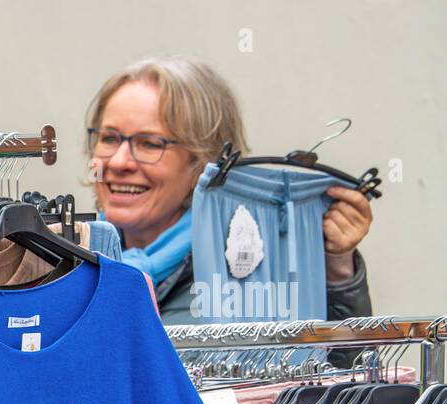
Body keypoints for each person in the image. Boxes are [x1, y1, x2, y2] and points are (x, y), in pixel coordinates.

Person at [85, 56, 373, 330]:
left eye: (149, 144)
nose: (120, 162)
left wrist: (339, 274)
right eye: (109, 138)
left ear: (202, 160)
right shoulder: (71, 258)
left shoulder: (248, 265)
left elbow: (334, 370)